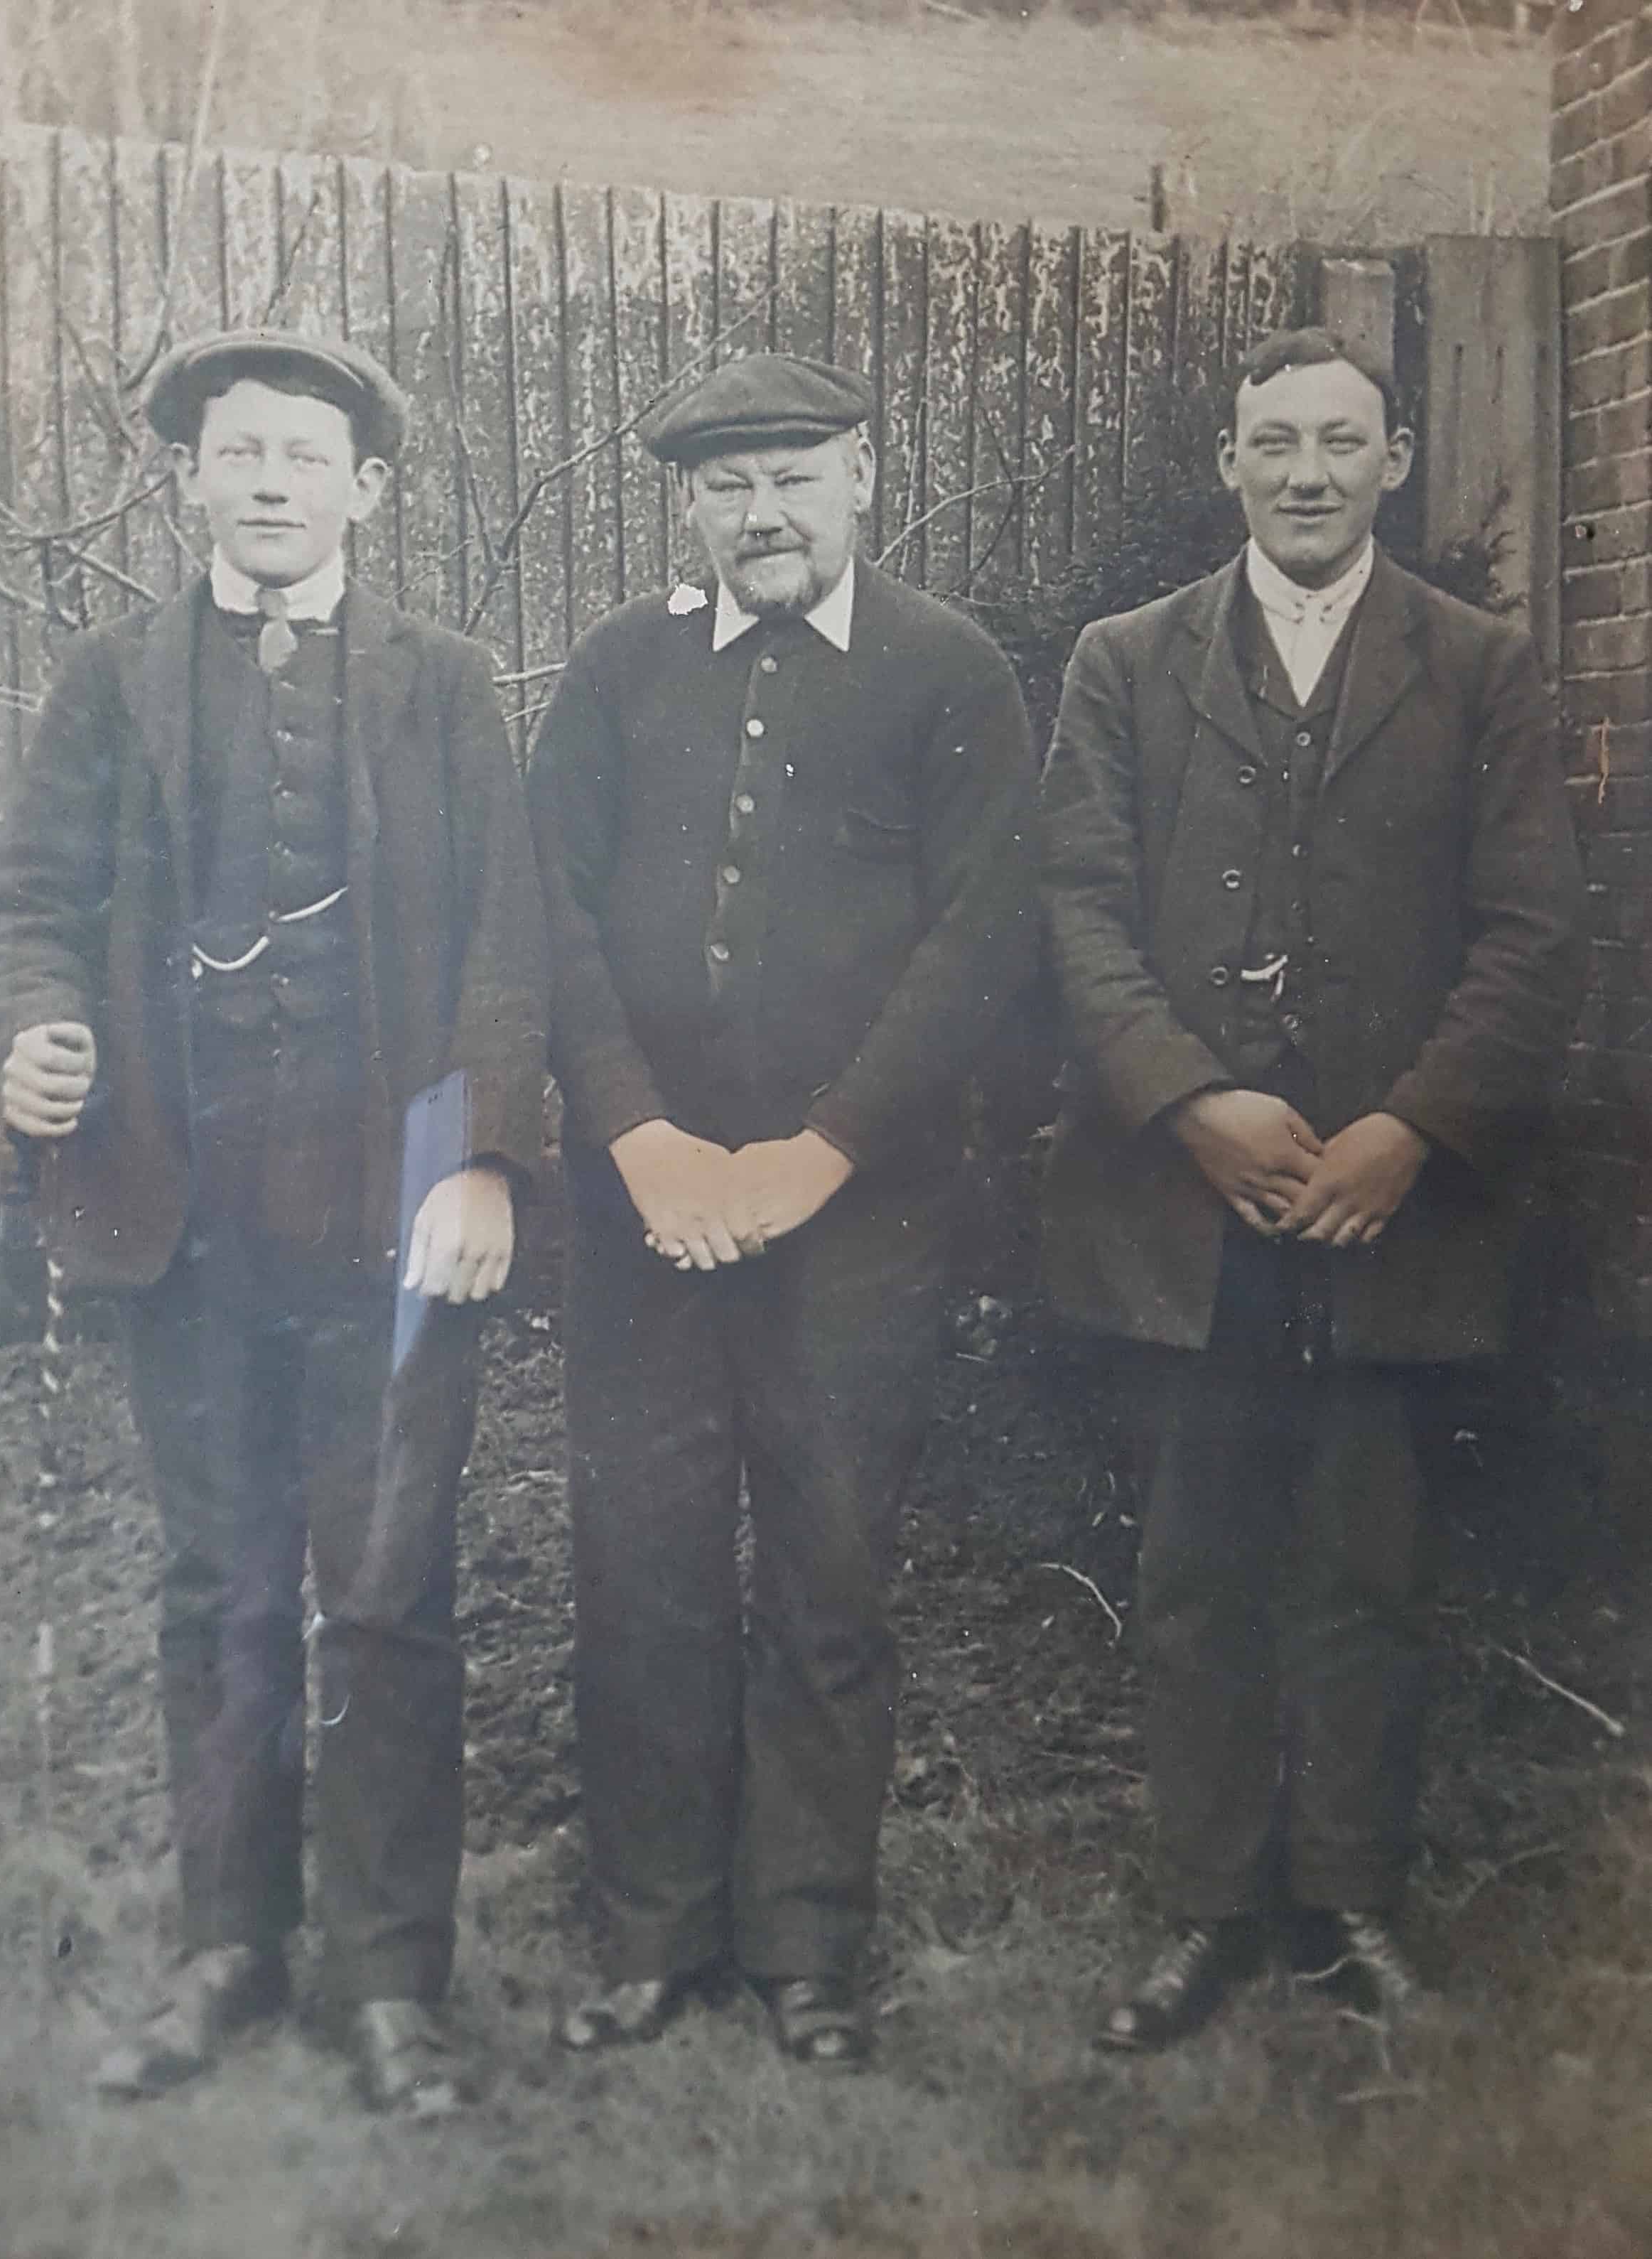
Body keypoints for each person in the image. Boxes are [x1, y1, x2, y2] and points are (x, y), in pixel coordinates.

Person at [0, 330, 546, 2117]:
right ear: (189, 479)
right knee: (216, 1585)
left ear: (368, 488)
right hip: (186, 1222)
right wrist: (39, 1023)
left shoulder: (445, 685)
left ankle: (387, 1981)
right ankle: (229, 1947)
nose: (274, 481)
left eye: (308, 453)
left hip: (387, 1232)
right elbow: (27, 898)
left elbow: (505, 948)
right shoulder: (112, 677)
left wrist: (477, 1160)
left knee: (384, 1596)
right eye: (241, 453)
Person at [1040, 327, 1584, 2049]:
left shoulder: (1480, 664)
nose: (1304, 474)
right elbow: (1073, 909)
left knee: (1364, 1553)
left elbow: (1532, 932)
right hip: (1184, 1200)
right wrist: (1187, 1101)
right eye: (1272, 442)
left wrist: (1411, 1129)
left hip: (1383, 1202)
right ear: (1227, 462)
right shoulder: (1125, 663)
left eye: (1338, 443)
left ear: (1394, 458)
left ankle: (1348, 1900)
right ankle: (1206, 1913)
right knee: (1197, 1558)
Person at [528, 352, 1039, 2069]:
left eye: (795, 478)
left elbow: (978, 945)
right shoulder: (620, 670)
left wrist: (816, 1155)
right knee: (645, 1572)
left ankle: (808, 1944)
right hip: (642, 1217)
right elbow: (557, 917)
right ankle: (657, 1933)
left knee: (829, 1580)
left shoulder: (949, 673)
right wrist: (641, 1143)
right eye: (729, 485)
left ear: (863, 479)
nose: (763, 514)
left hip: (861, 1220)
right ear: (691, 502)